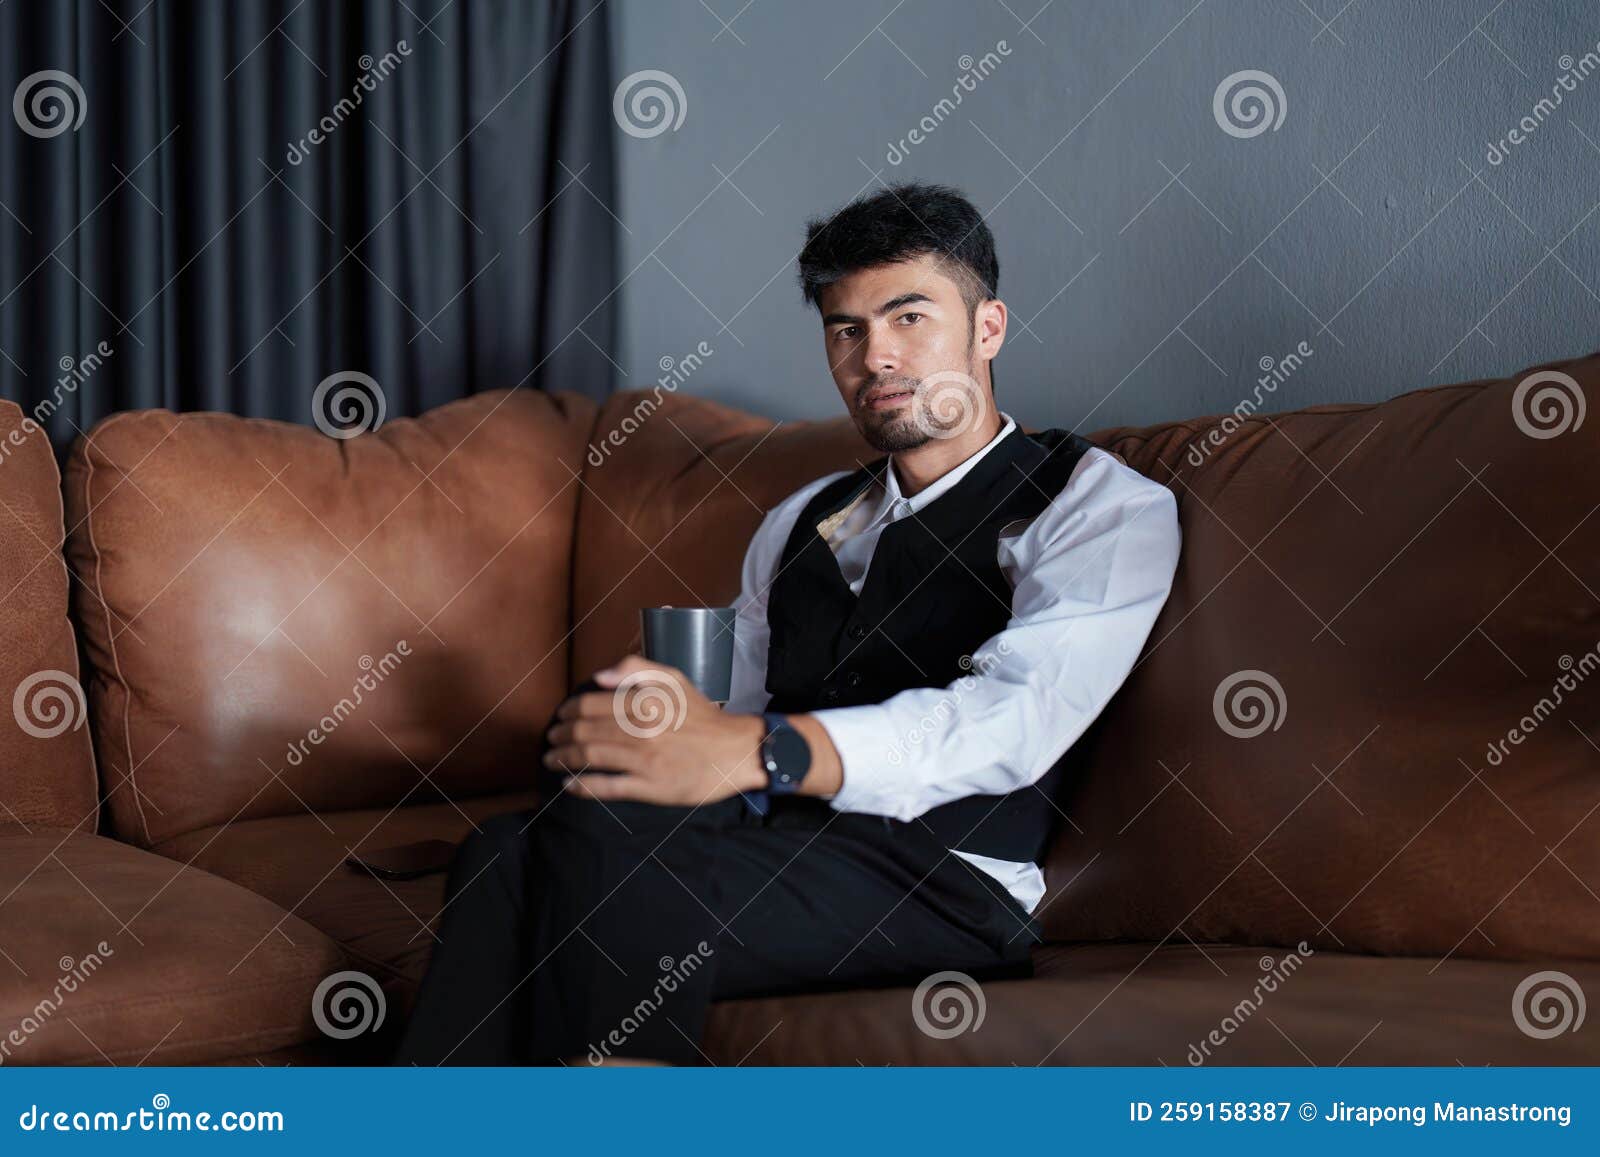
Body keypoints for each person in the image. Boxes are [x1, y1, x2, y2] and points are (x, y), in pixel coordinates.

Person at [391, 182, 1181, 1066]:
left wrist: (767, 751)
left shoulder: (1096, 504)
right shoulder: (804, 518)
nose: (876, 356)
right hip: (774, 842)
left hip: (943, 882)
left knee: (577, 860)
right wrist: (641, 716)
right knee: (506, 850)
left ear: (987, 327)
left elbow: (1016, 718)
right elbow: (729, 699)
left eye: (909, 316)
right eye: (846, 330)